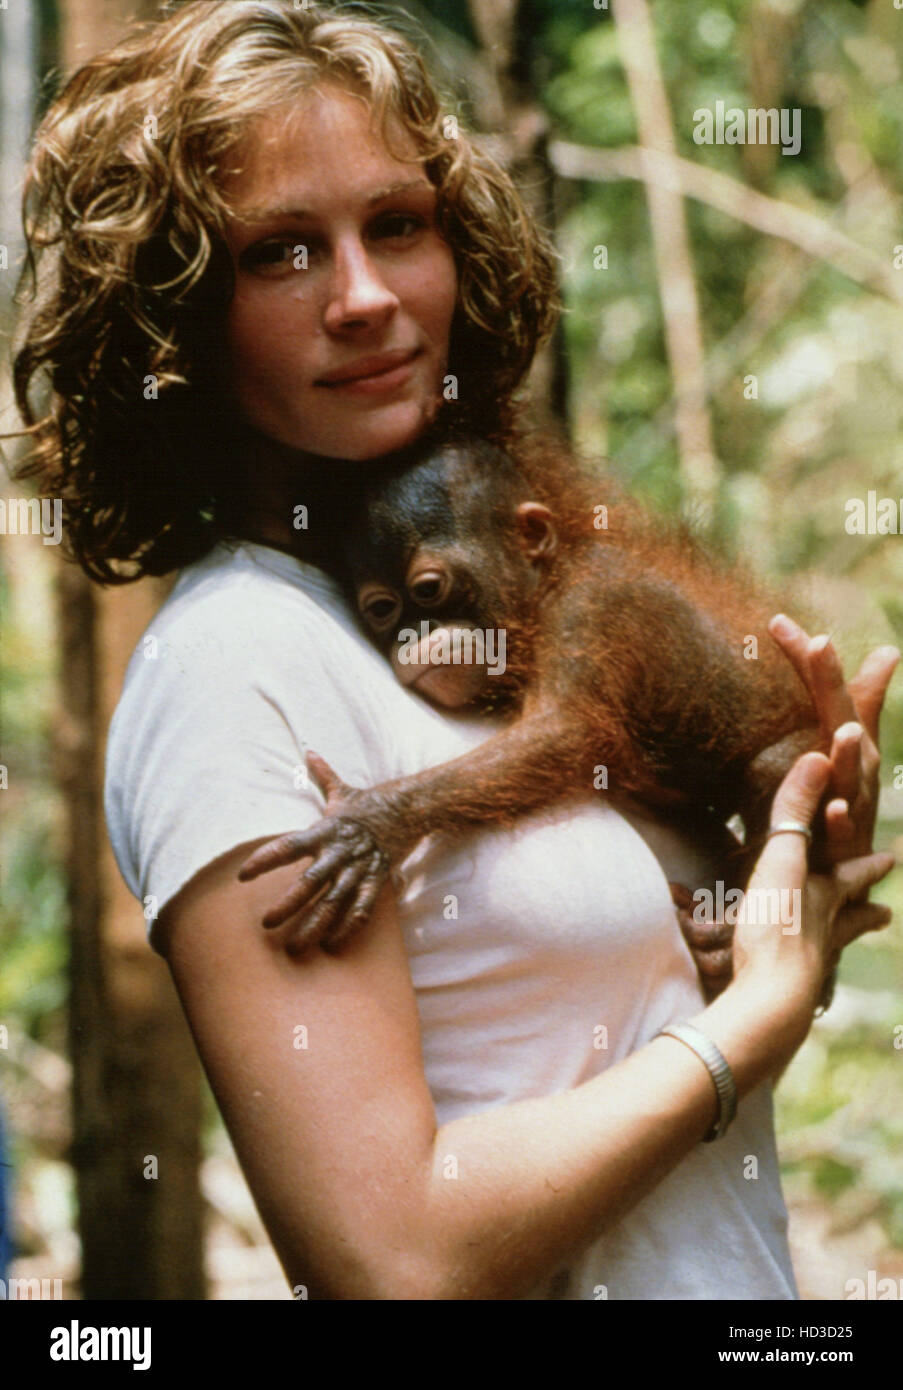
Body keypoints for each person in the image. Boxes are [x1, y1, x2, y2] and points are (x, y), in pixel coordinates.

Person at [8, 0, 898, 1300]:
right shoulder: (236, 661)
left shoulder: (470, 585)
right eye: (282, 253)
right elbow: (392, 1259)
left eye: (398, 226)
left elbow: (586, 1059)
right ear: (179, 322)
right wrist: (745, 1030)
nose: (365, 297)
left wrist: (772, 874)